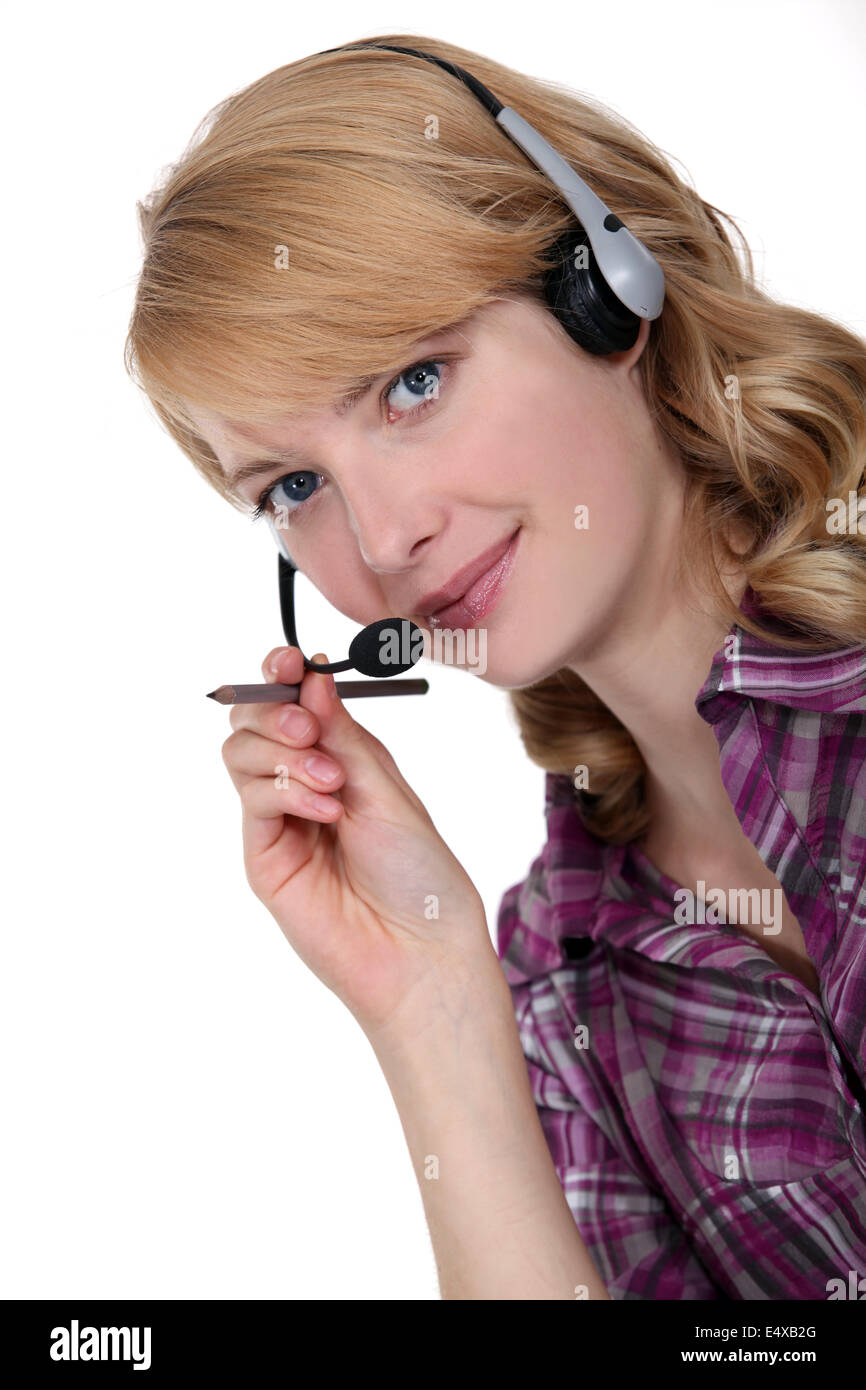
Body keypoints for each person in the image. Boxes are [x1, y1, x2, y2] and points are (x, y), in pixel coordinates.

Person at [125, 33, 866, 1299]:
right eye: (294, 485)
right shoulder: (564, 955)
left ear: (606, 291)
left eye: (413, 382)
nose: (381, 538)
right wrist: (433, 1009)